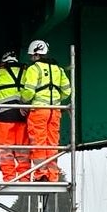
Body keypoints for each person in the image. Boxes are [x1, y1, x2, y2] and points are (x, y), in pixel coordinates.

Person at [20, 40, 72, 182]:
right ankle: (52, 176)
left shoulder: (33, 69)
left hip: (39, 111)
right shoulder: (59, 70)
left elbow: (29, 92)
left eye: (32, 56)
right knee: (52, 143)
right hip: (55, 111)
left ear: (36, 55)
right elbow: (67, 91)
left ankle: (40, 174)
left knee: (38, 142)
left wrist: (23, 102)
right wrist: (55, 100)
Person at [0, 51, 29, 182]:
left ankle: (9, 178)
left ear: (3, 62)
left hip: (4, 116)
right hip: (23, 115)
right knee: (23, 150)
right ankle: (25, 178)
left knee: (5, 149)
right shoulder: (25, 72)